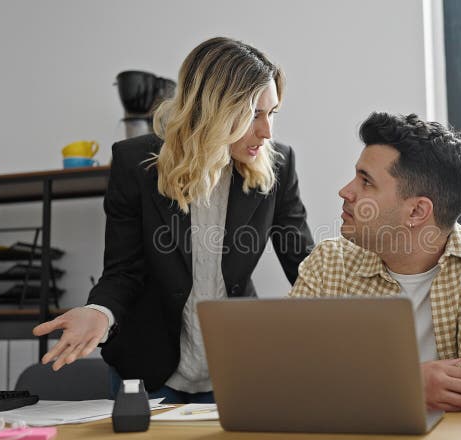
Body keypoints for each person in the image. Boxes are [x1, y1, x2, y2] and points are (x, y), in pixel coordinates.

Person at [33, 37, 314, 402]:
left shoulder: (278, 164)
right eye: (253, 114)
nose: (268, 131)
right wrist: (99, 312)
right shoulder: (136, 163)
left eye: (272, 113)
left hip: (233, 368)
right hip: (149, 367)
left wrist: (361, 316)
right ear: (212, 109)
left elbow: (306, 267)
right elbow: (123, 271)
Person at [289, 112, 461, 410]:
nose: (345, 191)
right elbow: (288, 371)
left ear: (416, 212)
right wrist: (405, 384)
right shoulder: (328, 263)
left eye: (366, 182)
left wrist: (355, 386)